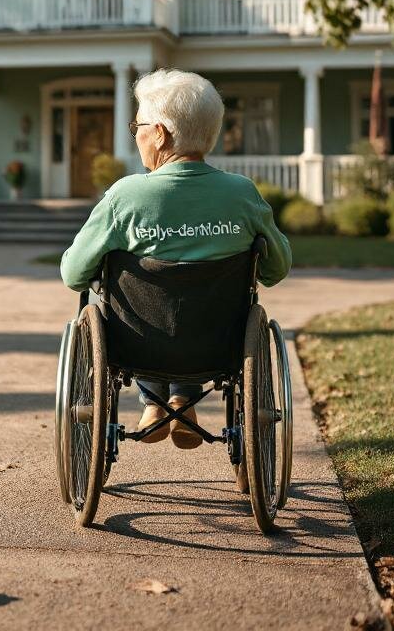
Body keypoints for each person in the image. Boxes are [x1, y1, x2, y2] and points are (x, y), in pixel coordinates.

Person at [60, 68, 291, 448]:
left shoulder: (126, 196)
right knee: (197, 310)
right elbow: (276, 268)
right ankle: (182, 399)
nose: (136, 135)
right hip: (220, 344)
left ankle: (154, 403)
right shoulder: (242, 194)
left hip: (137, 345)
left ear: (161, 133)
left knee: (145, 306)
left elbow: (73, 273)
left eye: (138, 126)